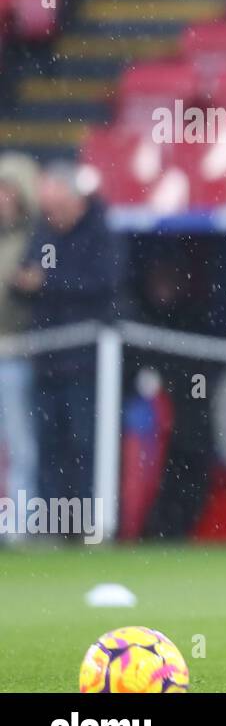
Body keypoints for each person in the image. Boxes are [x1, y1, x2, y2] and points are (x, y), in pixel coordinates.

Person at [14, 163, 122, 505]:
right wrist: (26, 284)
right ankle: (51, 523)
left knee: (85, 443)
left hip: (85, 364)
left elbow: (104, 284)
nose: (53, 216)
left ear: (77, 201)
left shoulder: (101, 232)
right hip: (46, 361)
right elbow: (27, 277)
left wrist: (48, 283)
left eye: (58, 208)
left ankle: (89, 519)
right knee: (47, 444)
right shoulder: (44, 233)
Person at [0, 155, 41, 511]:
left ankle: (21, 525)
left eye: (7, 190)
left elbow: (48, 283)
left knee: (20, 445)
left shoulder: (37, 239)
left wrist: (32, 285)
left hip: (15, 354)